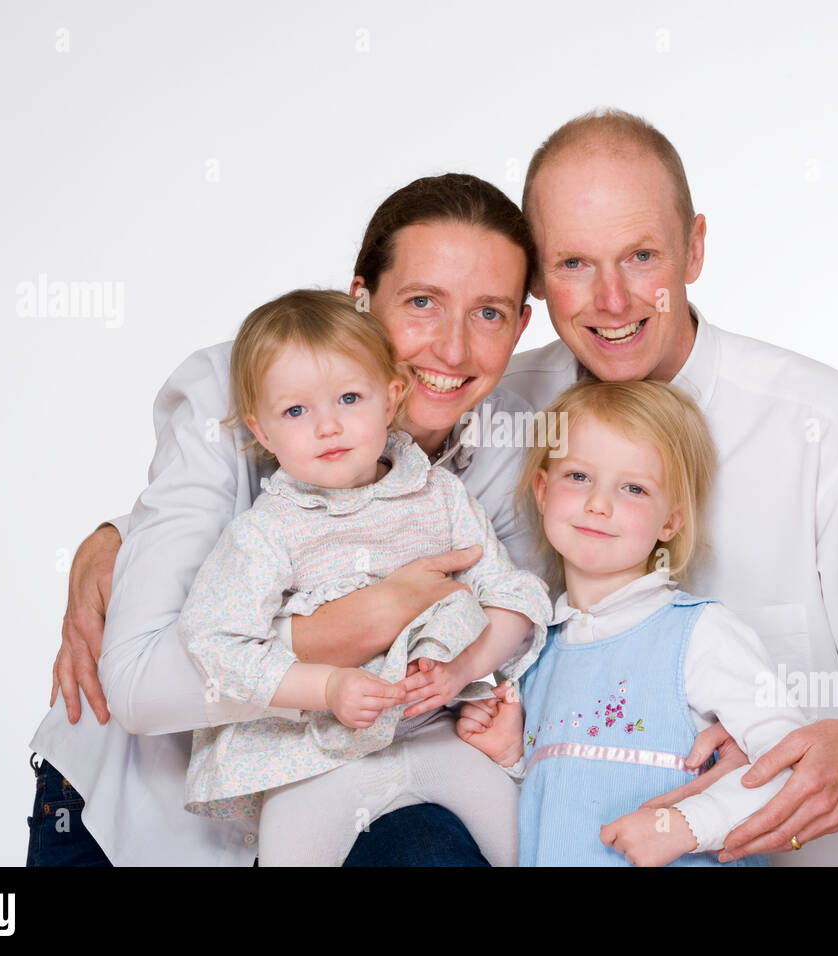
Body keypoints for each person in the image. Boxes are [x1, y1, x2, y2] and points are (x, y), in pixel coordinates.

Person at [498, 108, 838, 865]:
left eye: (641, 256)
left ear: (694, 248)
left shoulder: (828, 429)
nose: (611, 300)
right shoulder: (501, 416)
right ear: (537, 273)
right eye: (574, 263)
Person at [28, 174, 544, 866]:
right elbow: (143, 686)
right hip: (137, 807)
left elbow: (517, 614)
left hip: (357, 783)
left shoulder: (511, 448)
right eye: (422, 302)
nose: (452, 350)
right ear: (360, 298)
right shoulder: (231, 388)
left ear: (519, 326)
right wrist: (369, 619)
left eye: (488, 314)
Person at [177, 289, 549, 866]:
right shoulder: (266, 531)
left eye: (349, 398)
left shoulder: (438, 496)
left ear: (390, 398)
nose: (328, 426)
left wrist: (459, 671)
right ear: (263, 429)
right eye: (296, 411)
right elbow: (216, 642)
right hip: (317, 758)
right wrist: (326, 688)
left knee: (529, 845)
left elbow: (514, 596)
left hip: (439, 737)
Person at [459, 379, 810, 866]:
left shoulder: (700, 634)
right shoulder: (534, 651)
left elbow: (792, 764)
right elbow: (564, 802)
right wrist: (514, 759)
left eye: (634, 488)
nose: (598, 503)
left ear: (671, 521)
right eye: (579, 476)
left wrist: (687, 824)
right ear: (543, 491)